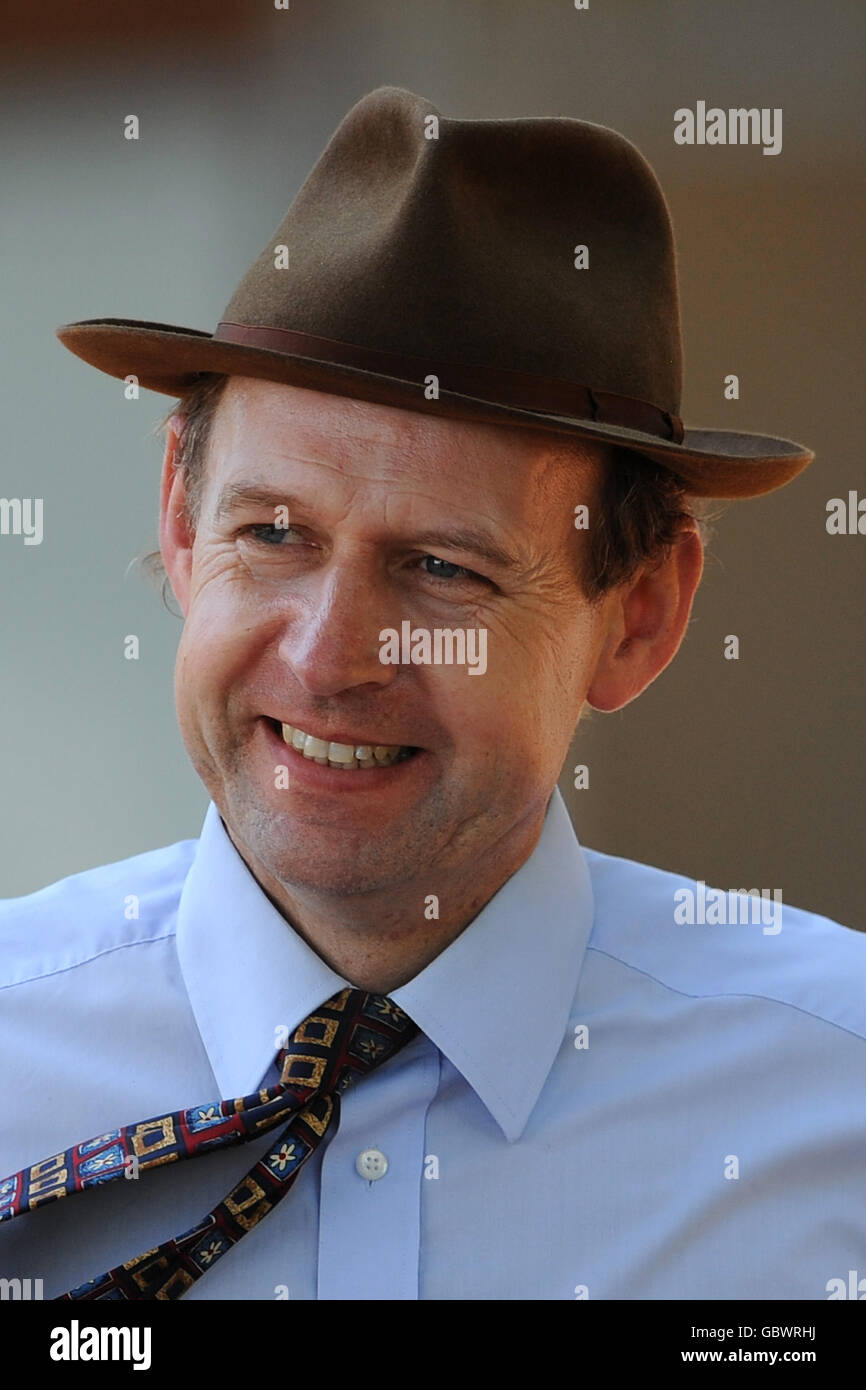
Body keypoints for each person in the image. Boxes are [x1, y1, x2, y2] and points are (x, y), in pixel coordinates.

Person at [1, 86, 863, 1302]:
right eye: (275, 534)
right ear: (181, 526)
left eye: (441, 568)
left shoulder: (835, 1107)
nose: (328, 655)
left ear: (643, 616)